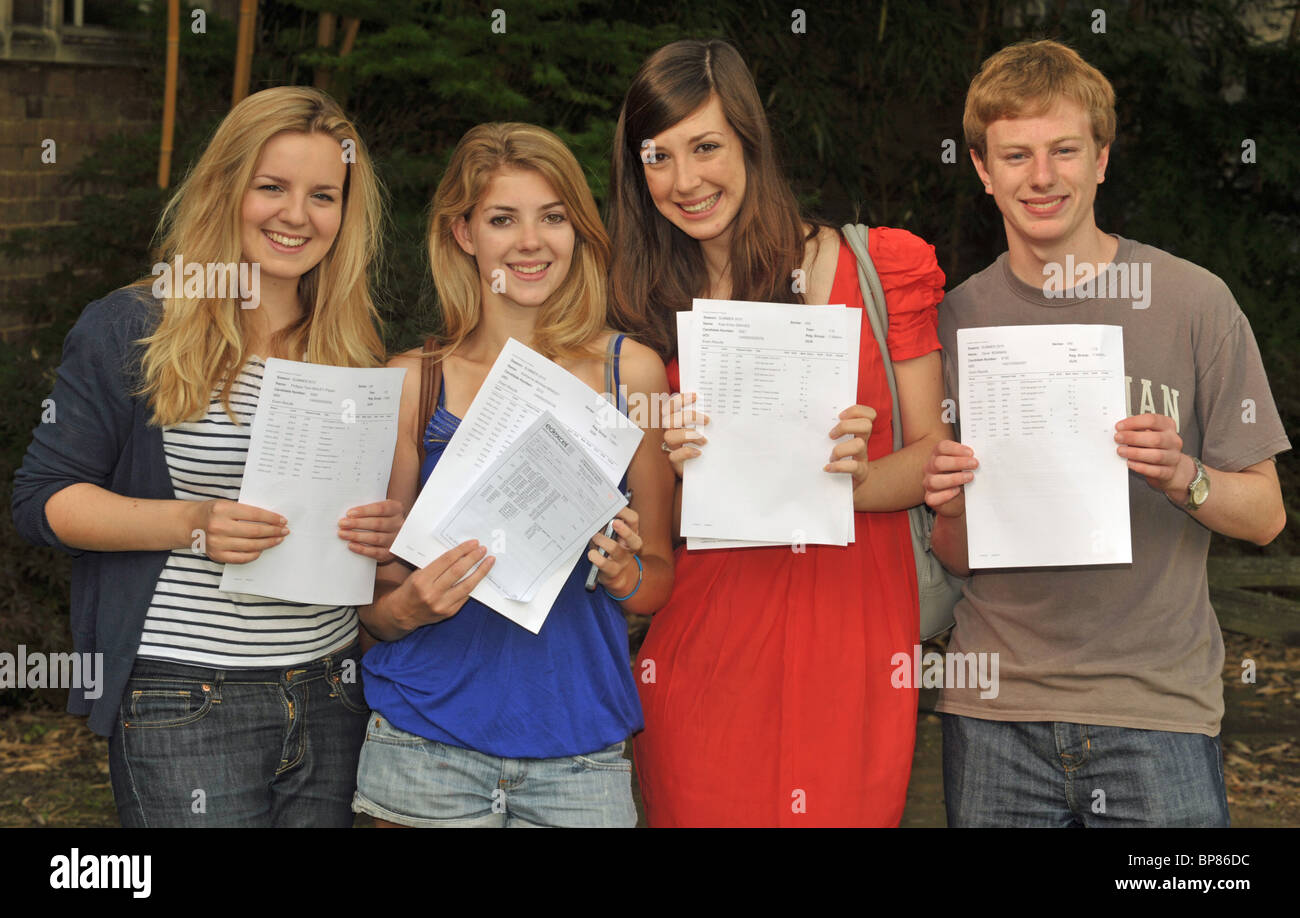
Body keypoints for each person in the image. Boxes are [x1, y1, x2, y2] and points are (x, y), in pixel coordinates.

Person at [11, 86, 405, 827]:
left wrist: (378, 534)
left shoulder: (352, 347)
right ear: (226, 188)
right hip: (185, 695)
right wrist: (191, 521)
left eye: (324, 195)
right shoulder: (135, 326)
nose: (297, 214)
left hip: (330, 689)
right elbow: (41, 499)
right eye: (272, 187)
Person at [922, 39, 1290, 827]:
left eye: (1064, 150)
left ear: (1102, 159)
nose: (1041, 176)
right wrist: (949, 501)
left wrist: (1182, 474)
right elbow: (952, 554)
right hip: (995, 706)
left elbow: (1265, 517)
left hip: (1156, 708)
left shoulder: (1195, 302)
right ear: (983, 170)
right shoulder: (952, 323)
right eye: (1015, 155)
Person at [606, 39, 951, 827]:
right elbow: (650, 526)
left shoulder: (880, 268)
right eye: (658, 157)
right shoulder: (644, 313)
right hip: (707, 648)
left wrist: (859, 479)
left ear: (750, 143)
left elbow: (936, 453)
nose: (685, 181)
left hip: (855, 637)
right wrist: (678, 460)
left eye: (706, 147)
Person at [351, 122, 674, 828]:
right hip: (424, 744)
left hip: (579, 752)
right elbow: (371, 601)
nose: (531, 242)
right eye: (503, 219)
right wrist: (408, 608)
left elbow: (658, 580)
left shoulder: (633, 373)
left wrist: (625, 575)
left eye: (552, 216)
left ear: (578, 230)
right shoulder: (413, 381)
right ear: (464, 233)